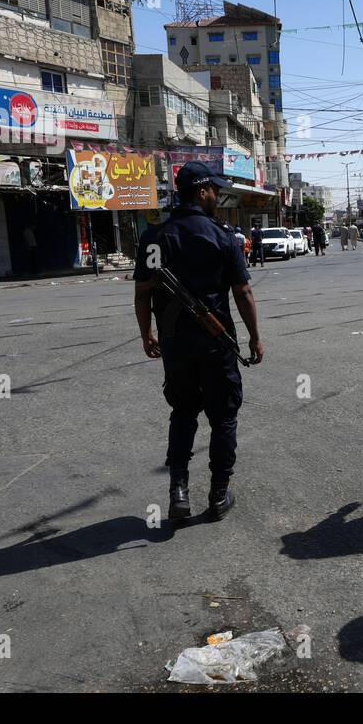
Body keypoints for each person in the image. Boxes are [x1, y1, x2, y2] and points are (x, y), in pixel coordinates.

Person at [133, 162, 264, 524]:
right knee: (223, 417)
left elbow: (142, 293)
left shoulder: (154, 238)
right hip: (215, 342)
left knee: (183, 414)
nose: (217, 198)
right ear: (202, 192)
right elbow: (243, 291)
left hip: (175, 346)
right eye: (214, 192)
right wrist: (255, 337)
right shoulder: (222, 236)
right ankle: (219, 494)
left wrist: (147, 333)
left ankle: (178, 492)